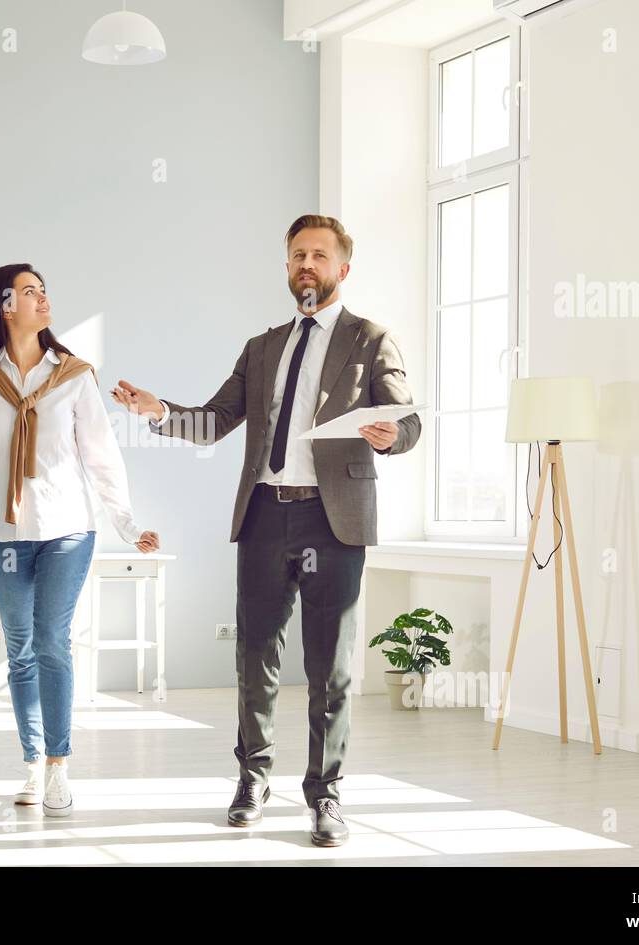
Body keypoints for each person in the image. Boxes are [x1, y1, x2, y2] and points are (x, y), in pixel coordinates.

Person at [111, 215, 420, 846]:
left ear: (342, 269)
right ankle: (253, 778)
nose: (307, 265)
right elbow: (217, 420)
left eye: (319, 256)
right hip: (264, 513)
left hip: (334, 519)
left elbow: (406, 420)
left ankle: (325, 796)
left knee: (329, 664)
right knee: (255, 657)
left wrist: (393, 438)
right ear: (287, 267)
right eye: (297, 256)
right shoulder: (263, 346)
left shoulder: (370, 339)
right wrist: (160, 413)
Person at [0, 263, 158, 817]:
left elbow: (101, 456)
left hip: (67, 531)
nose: (43, 298)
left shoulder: (75, 375)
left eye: (44, 290)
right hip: (2, 534)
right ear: (6, 306)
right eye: (30, 292)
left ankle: (59, 764)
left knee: (52, 642)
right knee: (19, 651)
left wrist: (128, 525)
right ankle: (32, 760)